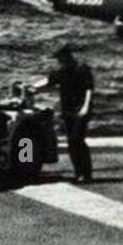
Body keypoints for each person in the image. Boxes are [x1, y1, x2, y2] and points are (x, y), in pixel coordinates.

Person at [36, 46, 94, 183]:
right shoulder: (62, 71)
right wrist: (32, 87)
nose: (58, 61)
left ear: (66, 56)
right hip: (68, 111)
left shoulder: (82, 68)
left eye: (60, 58)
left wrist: (86, 107)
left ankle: (86, 173)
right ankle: (79, 172)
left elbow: (89, 89)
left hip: (81, 109)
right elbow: (48, 81)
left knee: (77, 140)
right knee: (72, 143)